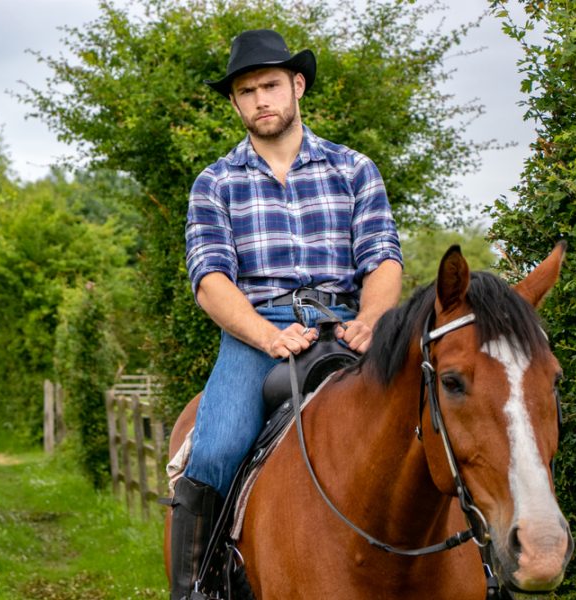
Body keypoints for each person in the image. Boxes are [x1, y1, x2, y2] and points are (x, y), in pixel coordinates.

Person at [169, 29, 404, 599]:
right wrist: (267, 336)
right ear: (235, 103)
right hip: (258, 332)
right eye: (246, 91)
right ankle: (196, 588)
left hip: (346, 326)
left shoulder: (354, 169)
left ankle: (481, 566)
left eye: (270, 85)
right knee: (216, 449)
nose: (260, 100)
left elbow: (382, 258)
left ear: (297, 85)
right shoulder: (215, 183)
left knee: (425, 422)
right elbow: (211, 281)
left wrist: (372, 319)